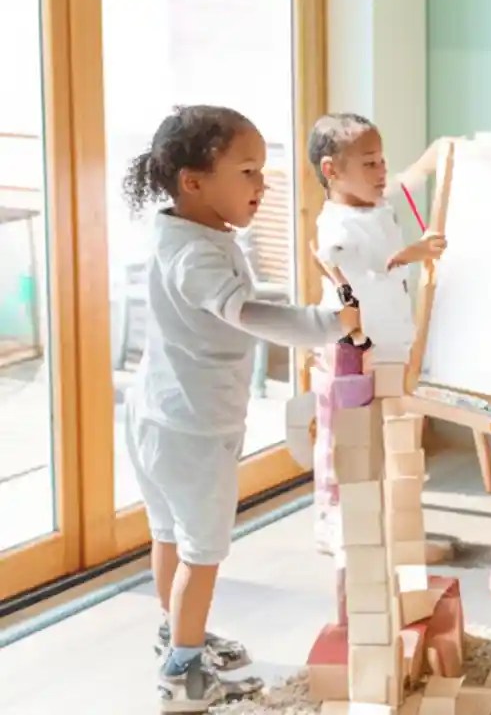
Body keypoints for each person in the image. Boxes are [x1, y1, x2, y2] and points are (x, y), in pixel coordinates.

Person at [123, 105, 359, 712]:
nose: (263, 185)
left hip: (158, 413)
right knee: (203, 553)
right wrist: (325, 324)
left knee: (169, 535)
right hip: (193, 428)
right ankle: (181, 671)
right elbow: (243, 311)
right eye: (249, 171)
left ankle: (177, 634)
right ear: (193, 183)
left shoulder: (185, 231)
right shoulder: (198, 256)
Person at [305, 112, 451, 554]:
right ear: (332, 171)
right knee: (344, 437)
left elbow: (407, 178)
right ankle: (334, 521)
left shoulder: (372, 205)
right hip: (352, 351)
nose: (381, 171)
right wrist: (411, 254)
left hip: (388, 344)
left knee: (386, 443)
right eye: (370, 163)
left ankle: (388, 524)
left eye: (382, 161)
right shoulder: (337, 225)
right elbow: (355, 277)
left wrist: (434, 156)